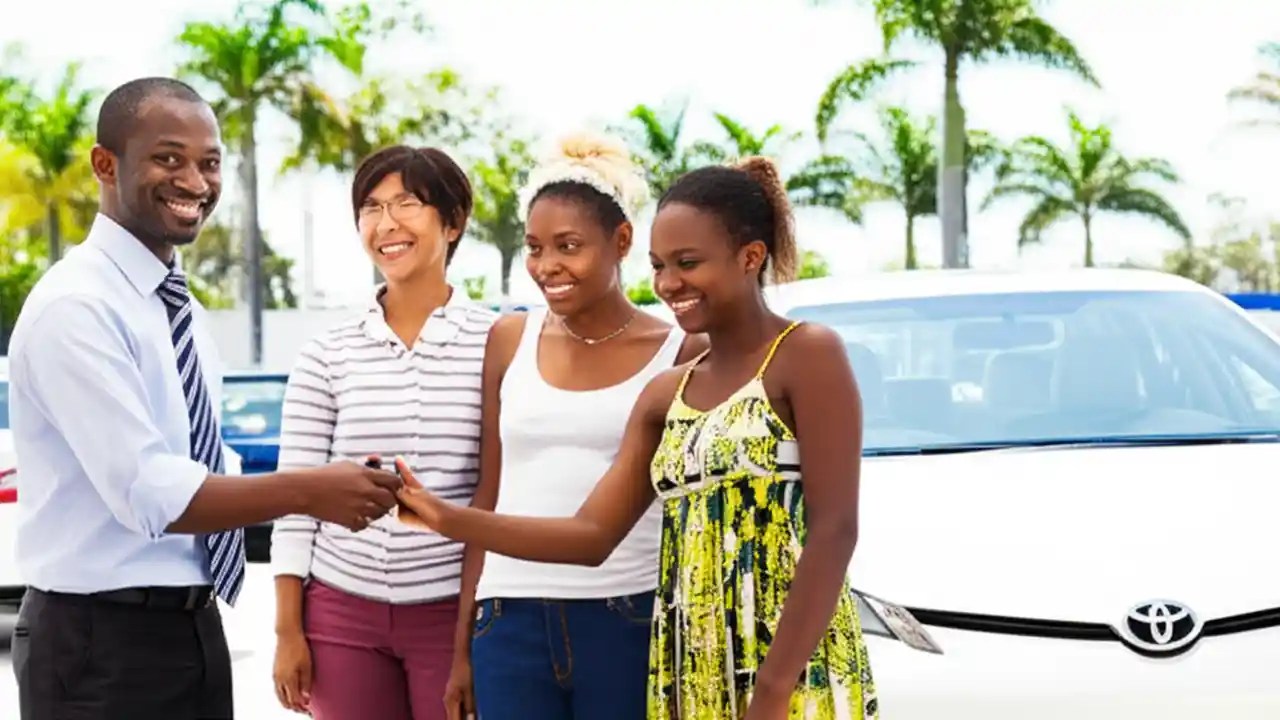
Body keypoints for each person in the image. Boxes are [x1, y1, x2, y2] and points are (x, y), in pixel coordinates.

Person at [394, 157, 879, 719]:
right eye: (659, 265)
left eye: (688, 263)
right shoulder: (665, 392)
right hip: (690, 660)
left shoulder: (806, 354)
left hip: (787, 658)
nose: (670, 283)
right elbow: (590, 536)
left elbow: (836, 530)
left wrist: (771, 691)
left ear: (751, 257)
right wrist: (442, 517)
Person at [7, 77, 403, 720]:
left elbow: (209, 461)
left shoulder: (174, 304)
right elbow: (150, 491)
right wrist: (309, 489)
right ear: (105, 165)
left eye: (210, 162)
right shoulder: (76, 306)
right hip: (98, 646)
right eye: (169, 158)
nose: (195, 182)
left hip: (191, 627)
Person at [443, 132, 708, 720]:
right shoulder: (510, 338)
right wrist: (463, 644)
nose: (547, 267)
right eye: (536, 248)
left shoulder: (682, 349)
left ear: (621, 242)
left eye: (568, 246)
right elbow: (490, 491)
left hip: (626, 614)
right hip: (506, 620)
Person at [269, 144, 498, 720]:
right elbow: (295, 497)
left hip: (452, 614)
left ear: (453, 221)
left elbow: (496, 496)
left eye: (407, 203)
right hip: (341, 613)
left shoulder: (499, 342)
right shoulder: (327, 352)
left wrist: (469, 634)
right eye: (371, 208)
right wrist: (288, 631)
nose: (386, 223)